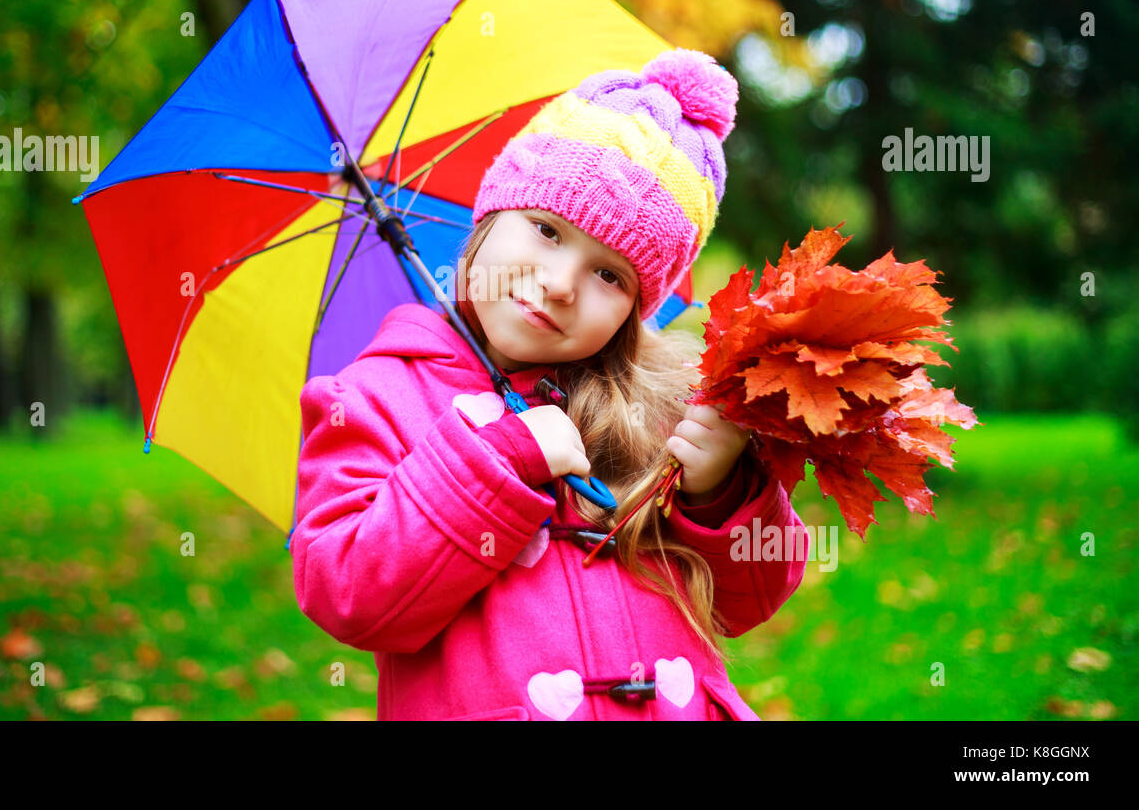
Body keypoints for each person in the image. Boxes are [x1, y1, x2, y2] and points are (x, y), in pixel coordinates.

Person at [291, 48, 808, 720]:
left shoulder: (657, 405)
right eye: (545, 230)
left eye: (610, 275)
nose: (561, 284)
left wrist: (719, 495)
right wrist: (501, 459)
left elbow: (749, 600)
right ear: (487, 220)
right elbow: (350, 592)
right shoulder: (373, 397)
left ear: (635, 310)